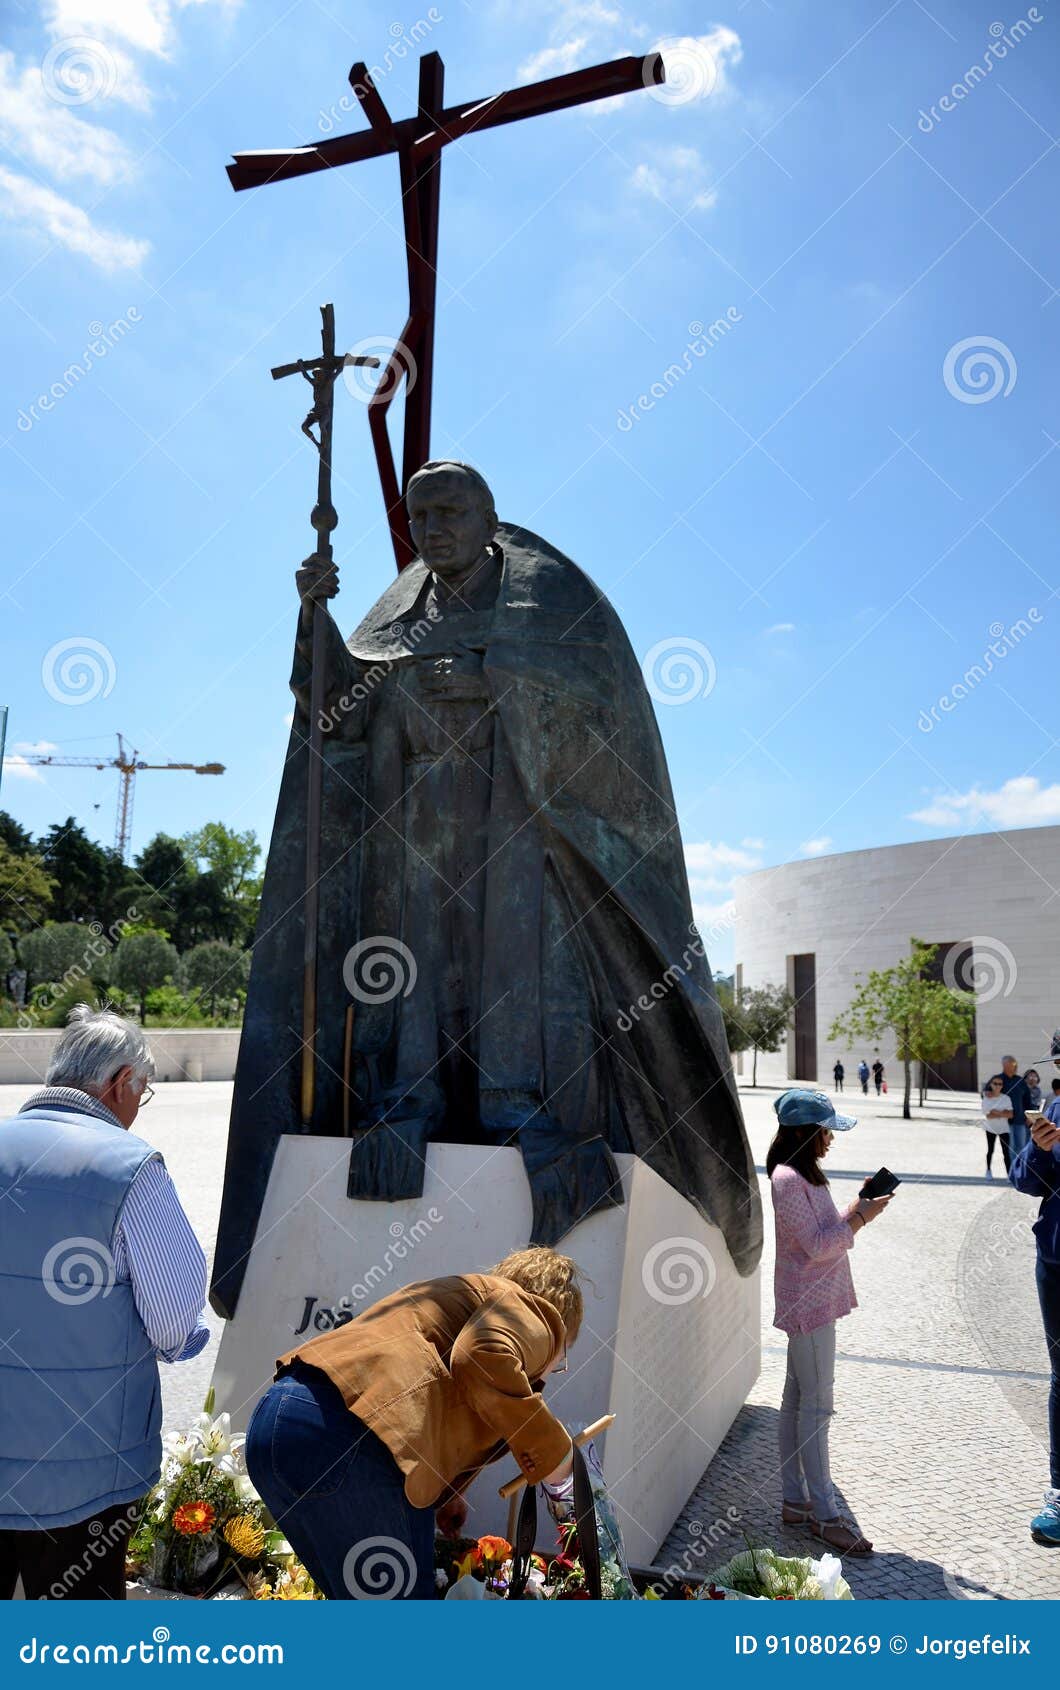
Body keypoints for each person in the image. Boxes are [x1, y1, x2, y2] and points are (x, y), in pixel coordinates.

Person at [0, 1007, 209, 1601]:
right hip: (82, 1471)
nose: (137, 1109)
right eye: (141, 1093)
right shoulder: (130, 1169)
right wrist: (178, 1344)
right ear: (121, 1082)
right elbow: (172, 1317)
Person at [245, 1247, 582, 1599]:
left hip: (278, 1422)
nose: (554, 1366)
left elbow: (435, 1387)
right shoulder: (532, 1313)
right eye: (560, 1357)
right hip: (348, 1445)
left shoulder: (463, 1297)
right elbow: (480, 1356)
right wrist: (557, 1460)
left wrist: (450, 1492)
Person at [768, 1088, 891, 1557]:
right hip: (809, 1305)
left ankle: (796, 1502)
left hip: (815, 1301)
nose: (830, 1139)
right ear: (803, 1132)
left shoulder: (802, 1175)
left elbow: (820, 1232)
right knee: (814, 1408)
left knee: (797, 1400)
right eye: (824, 1130)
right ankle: (825, 1516)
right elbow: (819, 1246)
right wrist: (860, 1218)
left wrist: (859, 1205)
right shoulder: (787, 1179)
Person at [1009, 1110, 1060, 1546]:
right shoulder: (1057, 1110)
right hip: (1057, 1263)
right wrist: (1040, 1151)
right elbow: (1025, 1181)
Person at [992, 1055, 1032, 1157]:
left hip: (1020, 1121)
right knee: (1010, 1148)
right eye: (1012, 1065)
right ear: (1004, 1066)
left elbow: (1028, 1100)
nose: (1015, 1068)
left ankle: (1020, 1171)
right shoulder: (997, 1080)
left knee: (1022, 1147)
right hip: (1005, 1122)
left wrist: (1030, 1116)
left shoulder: (1020, 1081)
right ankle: (1012, 1171)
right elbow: (986, 1095)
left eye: (1015, 1065)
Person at [981, 1075, 1013, 1177]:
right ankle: (988, 1170)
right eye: (995, 1084)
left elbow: (1011, 1114)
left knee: (1006, 1153)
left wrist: (996, 1112)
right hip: (990, 1128)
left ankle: (1009, 1174)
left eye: (1000, 1084)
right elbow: (988, 1115)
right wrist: (1002, 1113)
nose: (997, 1086)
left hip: (1004, 1129)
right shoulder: (987, 1098)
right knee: (990, 1150)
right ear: (991, 1084)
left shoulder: (1006, 1098)